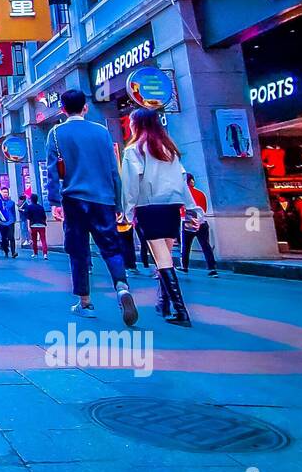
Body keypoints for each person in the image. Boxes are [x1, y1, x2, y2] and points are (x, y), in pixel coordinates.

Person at [45, 89, 139, 325]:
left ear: (62, 110)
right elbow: (112, 169)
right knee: (111, 247)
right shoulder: (102, 132)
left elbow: (52, 172)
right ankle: (121, 287)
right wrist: (118, 202)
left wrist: (55, 202)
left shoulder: (56, 133)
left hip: (74, 200)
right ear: (85, 108)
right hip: (103, 199)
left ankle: (85, 302)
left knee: (78, 250)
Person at [121, 108, 200, 327]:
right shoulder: (169, 149)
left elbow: (130, 186)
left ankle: (181, 311)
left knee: (162, 258)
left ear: (136, 125)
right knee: (165, 255)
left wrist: (127, 213)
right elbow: (182, 181)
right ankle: (163, 304)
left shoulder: (134, 150)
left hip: (149, 207)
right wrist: (192, 208)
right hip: (172, 207)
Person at [181, 173, 219, 277]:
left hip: (188, 221)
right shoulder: (201, 193)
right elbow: (204, 208)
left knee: (186, 245)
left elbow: (181, 210)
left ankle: (184, 266)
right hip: (202, 221)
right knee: (205, 245)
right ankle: (212, 268)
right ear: (191, 181)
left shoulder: (183, 194)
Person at [0, 183, 18, 257]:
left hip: (10, 222)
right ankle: (6, 251)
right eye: (4, 192)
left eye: (6, 192)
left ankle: (13, 252)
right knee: (4, 237)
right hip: (2, 222)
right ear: (1, 193)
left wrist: (14, 220)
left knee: (11, 237)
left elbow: (13, 212)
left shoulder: (12, 203)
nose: (5, 194)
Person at [24, 193, 48, 257]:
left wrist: (29, 227)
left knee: (34, 240)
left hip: (33, 225)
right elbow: (44, 217)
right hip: (42, 225)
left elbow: (28, 218)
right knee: (43, 240)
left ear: (31, 199)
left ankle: (35, 253)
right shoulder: (41, 207)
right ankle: (45, 254)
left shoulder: (29, 207)